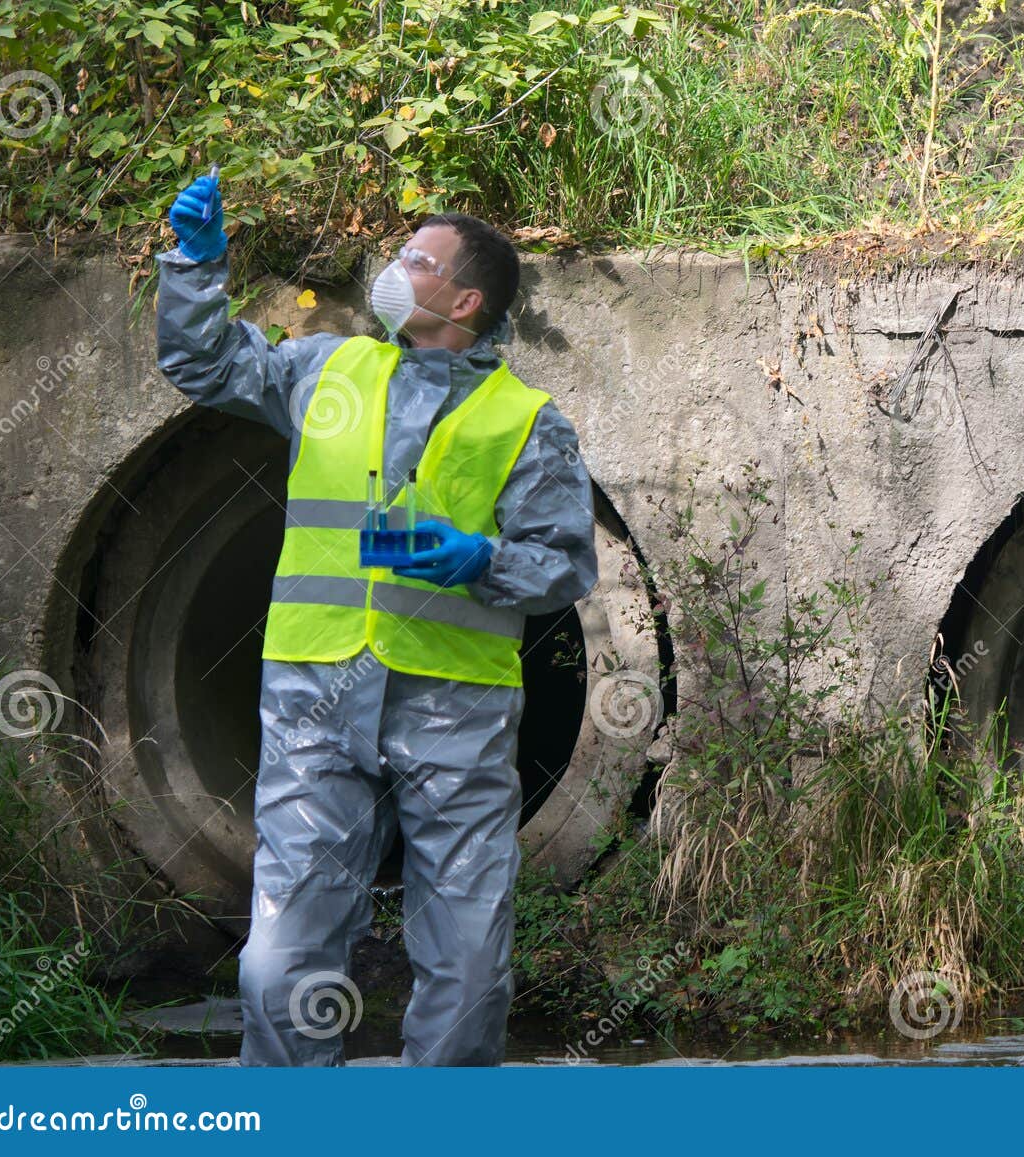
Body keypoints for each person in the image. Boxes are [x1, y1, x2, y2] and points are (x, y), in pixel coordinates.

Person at [156, 172, 599, 1066]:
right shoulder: (330, 367)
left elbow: (565, 568)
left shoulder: (527, 422)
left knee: (469, 953)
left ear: (465, 298)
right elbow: (204, 364)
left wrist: (483, 562)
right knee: (281, 953)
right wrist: (194, 268)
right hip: (315, 700)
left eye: (415, 259)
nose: (393, 267)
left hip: (456, 712)